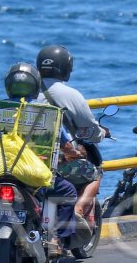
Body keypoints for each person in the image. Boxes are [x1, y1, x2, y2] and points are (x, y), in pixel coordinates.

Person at [0, 62, 78, 254]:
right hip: (32, 175)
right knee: (67, 191)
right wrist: (73, 152)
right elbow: (65, 145)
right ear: (35, 86)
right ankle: (56, 238)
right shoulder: (47, 112)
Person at [36, 46, 107, 237]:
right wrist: (101, 134)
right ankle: (78, 210)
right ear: (66, 68)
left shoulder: (28, 93)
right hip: (57, 164)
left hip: (27, 160)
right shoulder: (70, 95)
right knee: (94, 173)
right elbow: (90, 129)